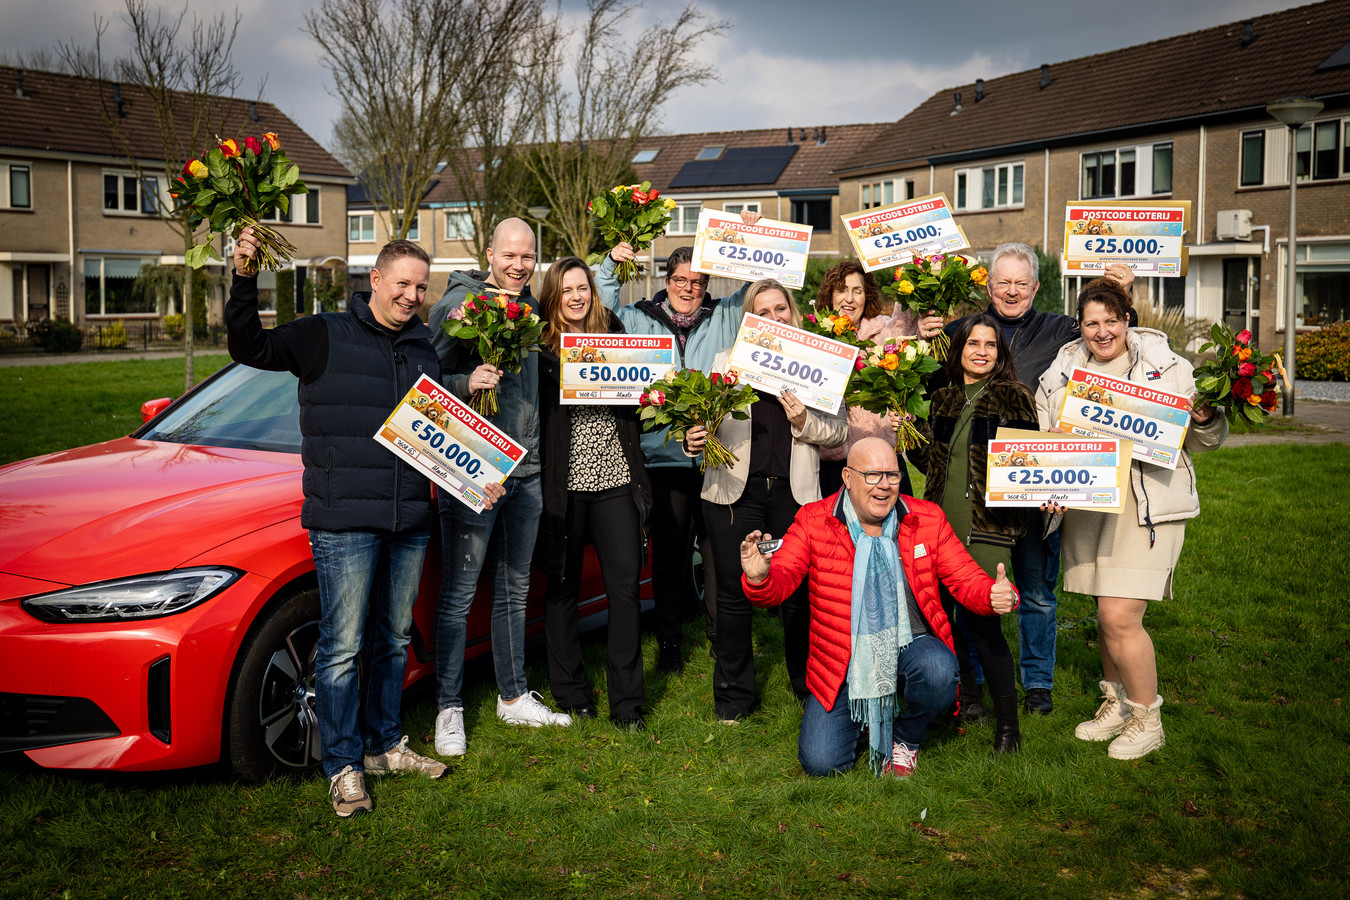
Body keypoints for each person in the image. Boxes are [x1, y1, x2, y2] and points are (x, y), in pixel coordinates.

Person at [226, 230, 479, 818]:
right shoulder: (324, 335)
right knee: (340, 649)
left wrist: (478, 471)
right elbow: (249, 346)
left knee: (392, 640)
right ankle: (342, 765)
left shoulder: (422, 348)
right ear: (376, 282)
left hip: (409, 517)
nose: (413, 295)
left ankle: (385, 744)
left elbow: (436, 430)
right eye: (403, 284)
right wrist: (243, 275)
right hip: (346, 521)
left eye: (421, 286)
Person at [738, 437, 1018, 777]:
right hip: (842, 659)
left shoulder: (925, 518)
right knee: (821, 764)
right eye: (872, 475)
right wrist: (757, 579)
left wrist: (994, 594)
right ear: (847, 477)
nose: (884, 486)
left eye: (893, 475)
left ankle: (905, 738)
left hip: (911, 644)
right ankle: (868, 718)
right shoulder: (814, 520)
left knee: (938, 670)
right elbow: (779, 584)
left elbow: (966, 577)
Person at [940, 242, 1135, 715]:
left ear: (1036, 287)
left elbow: (1112, 333)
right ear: (988, 285)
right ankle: (973, 683)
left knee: (1036, 590)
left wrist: (1122, 290)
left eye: (1021, 283)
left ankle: (1038, 685)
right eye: (1002, 282)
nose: (1012, 291)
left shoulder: (1061, 330)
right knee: (971, 585)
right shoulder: (958, 331)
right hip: (975, 481)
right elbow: (933, 391)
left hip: (1036, 478)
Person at [1036, 279, 1225, 759]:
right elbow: (1045, 428)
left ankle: (1147, 717)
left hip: (1146, 504)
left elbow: (1203, 440)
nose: (1102, 332)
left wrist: (1202, 420)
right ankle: (1116, 703)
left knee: (1118, 615)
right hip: (1090, 504)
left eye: (1110, 321)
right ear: (1080, 326)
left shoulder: (1168, 366)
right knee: (1105, 616)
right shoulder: (1064, 367)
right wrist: (1049, 465)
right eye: (1091, 323)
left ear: (1127, 320)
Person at [427, 217, 570, 759]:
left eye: (528, 256)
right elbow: (422, 374)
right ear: (489, 253)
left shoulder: (530, 310)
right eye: (509, 255)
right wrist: (467, 382)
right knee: (459, 595)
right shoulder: (456, 307)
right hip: (474, 469)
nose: (518, 265)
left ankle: (512, 697)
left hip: (527, 472)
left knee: (513, 591)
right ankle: (448, 708)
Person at [597, 213, 759, 672]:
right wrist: (611, 263)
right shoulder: (635, 319)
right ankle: (669, 641)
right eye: (681, 280)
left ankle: (717, 637)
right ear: (666, 281)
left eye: (698, 281)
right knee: (669, 558)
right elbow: (600, 308)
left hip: (718, 460)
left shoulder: (723, 316)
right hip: (663, 461)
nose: (690, 288)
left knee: (717, 555)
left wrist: (743, 237)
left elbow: (755, 288)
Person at [683, 279, 847, 718]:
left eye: (781, 310)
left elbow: (839, 431)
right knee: (734, 596)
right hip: (734, 495)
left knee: (798, 597)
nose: (774, 319)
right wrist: (692, 439)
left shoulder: (818, 363)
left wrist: (804, 420)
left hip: (794, 498)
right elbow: (698, 425)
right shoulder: (725, 363)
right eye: (763, 312)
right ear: (749, 320)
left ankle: (808, 690)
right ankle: (735, 700)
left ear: (792, 313)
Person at [908, 315, 1039, 751]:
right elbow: (933, 464)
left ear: (1000, 354)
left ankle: (1008, 728)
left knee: (983, 626)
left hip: (989, 527)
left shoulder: (1014, 397)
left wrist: (1045, 492)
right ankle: (966, 699)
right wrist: (906, 435)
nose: (982, 351)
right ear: (959, 349)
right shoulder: (942, 399)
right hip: (939, 525)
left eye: (990, 345)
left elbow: (1028, 466)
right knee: (941, 618)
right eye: (973, 344)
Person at [535, 257, 652, 728]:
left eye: (583, 287)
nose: (577, 296)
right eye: (567, 290)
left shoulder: (614, 333)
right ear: (554, 297)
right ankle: (572, 693)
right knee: (561, 588)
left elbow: (643, 388)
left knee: (623, 591)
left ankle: (628, 704)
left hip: (616, 481)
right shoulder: (540, 348)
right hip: (563, 486)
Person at [813, 260, 943, 499]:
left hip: (881, 458)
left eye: (857, 291)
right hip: (832, 461)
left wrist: (913, 269)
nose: (849, 299)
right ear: (830, 296)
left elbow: (902, 322)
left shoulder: (882, 331)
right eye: (842, 290)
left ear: (868, 296)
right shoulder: (815, 338)